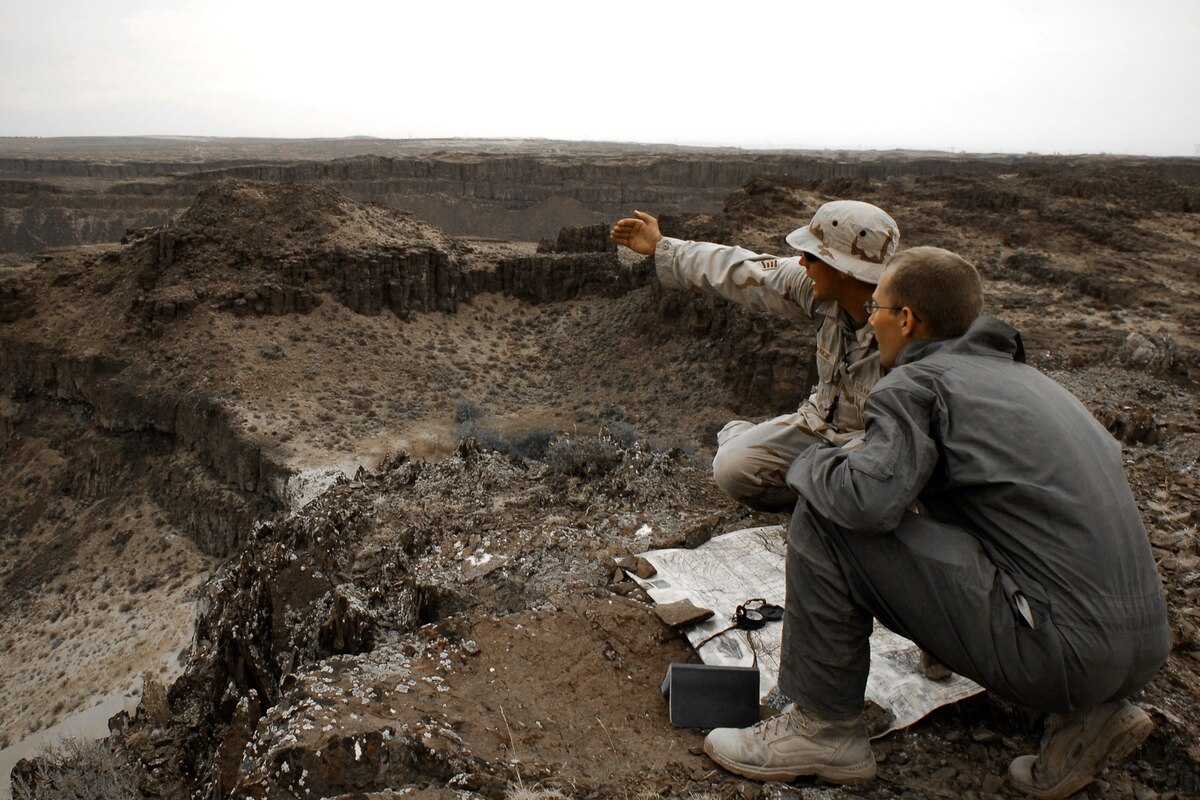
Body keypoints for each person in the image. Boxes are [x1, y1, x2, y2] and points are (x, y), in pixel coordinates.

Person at [702, 246, 1171, 799]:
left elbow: (863, 504)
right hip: (1141, 648)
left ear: (906, 320)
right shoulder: (1033, 382)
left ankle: (823, 728)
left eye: (877, 307)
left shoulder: (916, 385)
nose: (870, 321)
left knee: (826, 513)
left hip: (1053, 653)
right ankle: (1089, 720)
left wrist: (808, 461)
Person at [610, 201, 899, 511]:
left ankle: (824, 491)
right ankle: (769, 454)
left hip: (873, 448)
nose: (802, 262)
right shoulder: (812, 284)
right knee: (733, 470)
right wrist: (663, 248)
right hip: (821, 428)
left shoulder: (906, 329)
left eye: (812, 255)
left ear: (845, 270)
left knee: (865, 496)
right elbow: (740, 269)